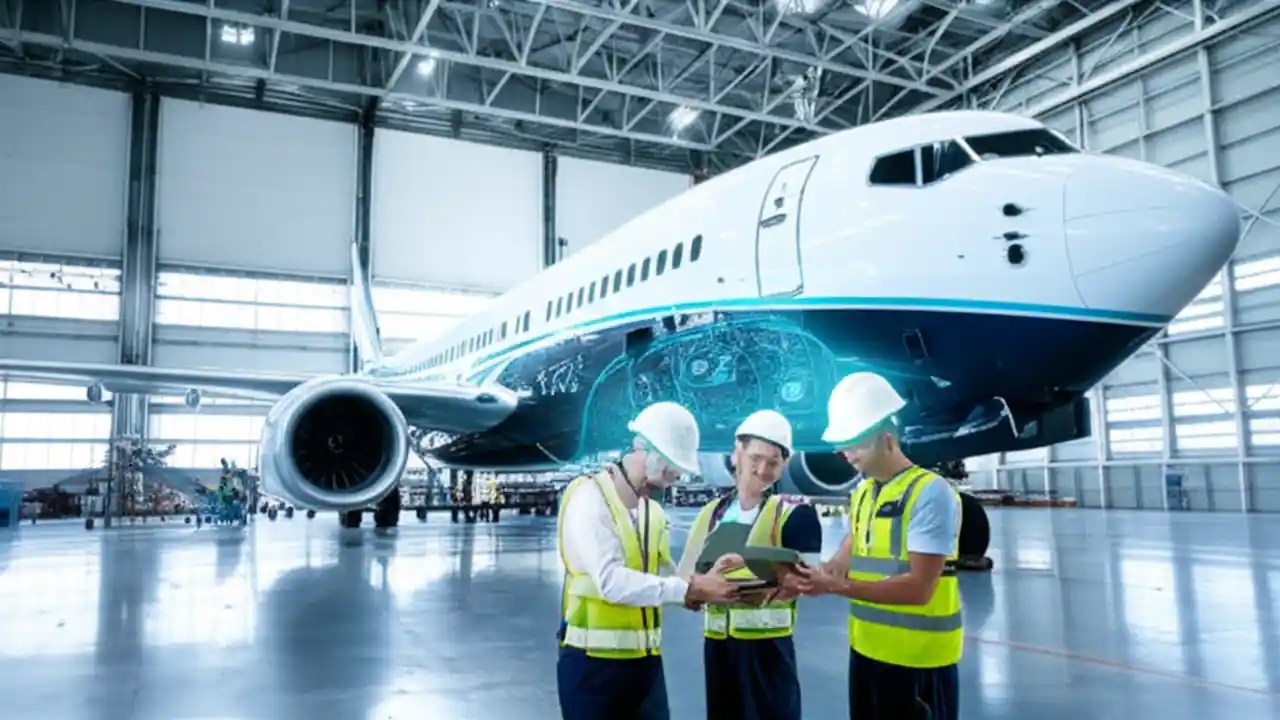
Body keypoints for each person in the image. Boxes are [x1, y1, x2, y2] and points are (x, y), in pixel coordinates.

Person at [781, 372, 963, 720]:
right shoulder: (864, 492)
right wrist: (824, 570)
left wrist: (835, 586)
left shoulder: (931, 493)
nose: (844, 453)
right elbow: (857, 540)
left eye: (854, 443)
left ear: (887, 438)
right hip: (867, 653)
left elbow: (920, 588)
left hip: (918, 662)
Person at [556, 401, 744, 720]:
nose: (676, 476)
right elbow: (611, 582)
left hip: (646, 667)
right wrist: (685, 590)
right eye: (672, 465)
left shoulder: (650, 512)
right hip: (593, 670)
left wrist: (699, 585)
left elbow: (658, 573)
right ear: (644, 449)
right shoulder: (590, 498)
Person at [676, 410, 824, 720]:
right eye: (755, 457)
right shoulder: (710, 515)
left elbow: (808, 580)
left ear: (784, 464)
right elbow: (685, 587)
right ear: (737, 451)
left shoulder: (794, 514)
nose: (762, 470)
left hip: (768, 655)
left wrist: (741, 574)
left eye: (773, 462)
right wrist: (699, 588)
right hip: (718, 653)